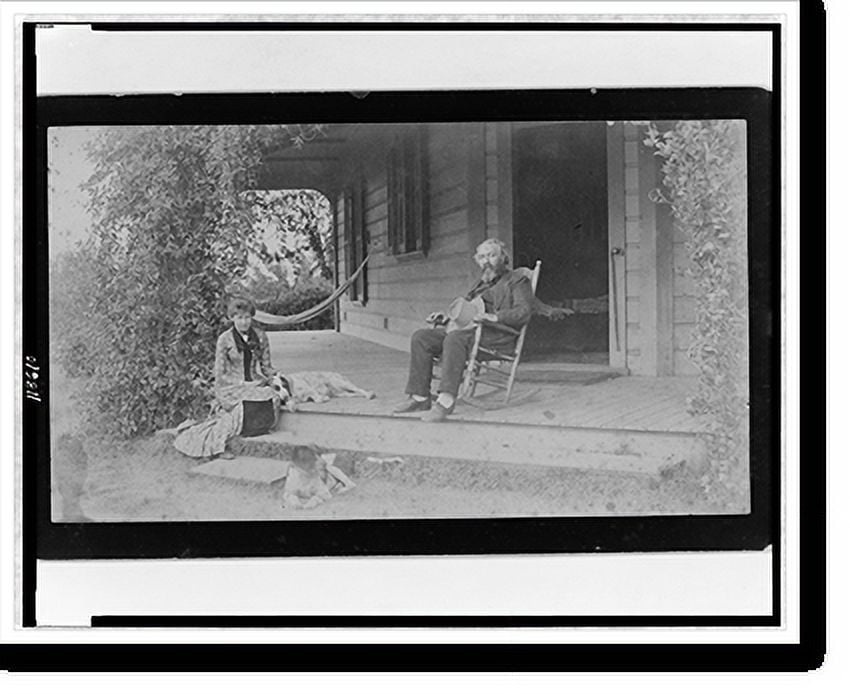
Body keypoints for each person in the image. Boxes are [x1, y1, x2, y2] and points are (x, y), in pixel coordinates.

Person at [393, 238, 534, 423]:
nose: (487, 261)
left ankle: (446, 400)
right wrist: (446, 318)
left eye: (492, 255)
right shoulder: (480, 283)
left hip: (498, 335)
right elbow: (467, 311)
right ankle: (420, 397)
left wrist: (494, 317)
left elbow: (524, 312)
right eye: (482, 257)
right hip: (470, 332)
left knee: (455, 339)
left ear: (503, 258)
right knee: (422, 337)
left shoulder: (517, 280)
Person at [174, 297, 282, 459]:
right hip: (230, 386)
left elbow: (266, 366)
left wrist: (275, 379)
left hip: (255, 383)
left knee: (272, 396)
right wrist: (243, 384)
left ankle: (254, 429)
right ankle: (217, 445)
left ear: (252, 317)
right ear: (232, 318)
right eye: (239, 318)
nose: (244, 322)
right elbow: (220, 373)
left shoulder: (260, 336)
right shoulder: (224, 339)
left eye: (247, 317)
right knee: (243, 404)